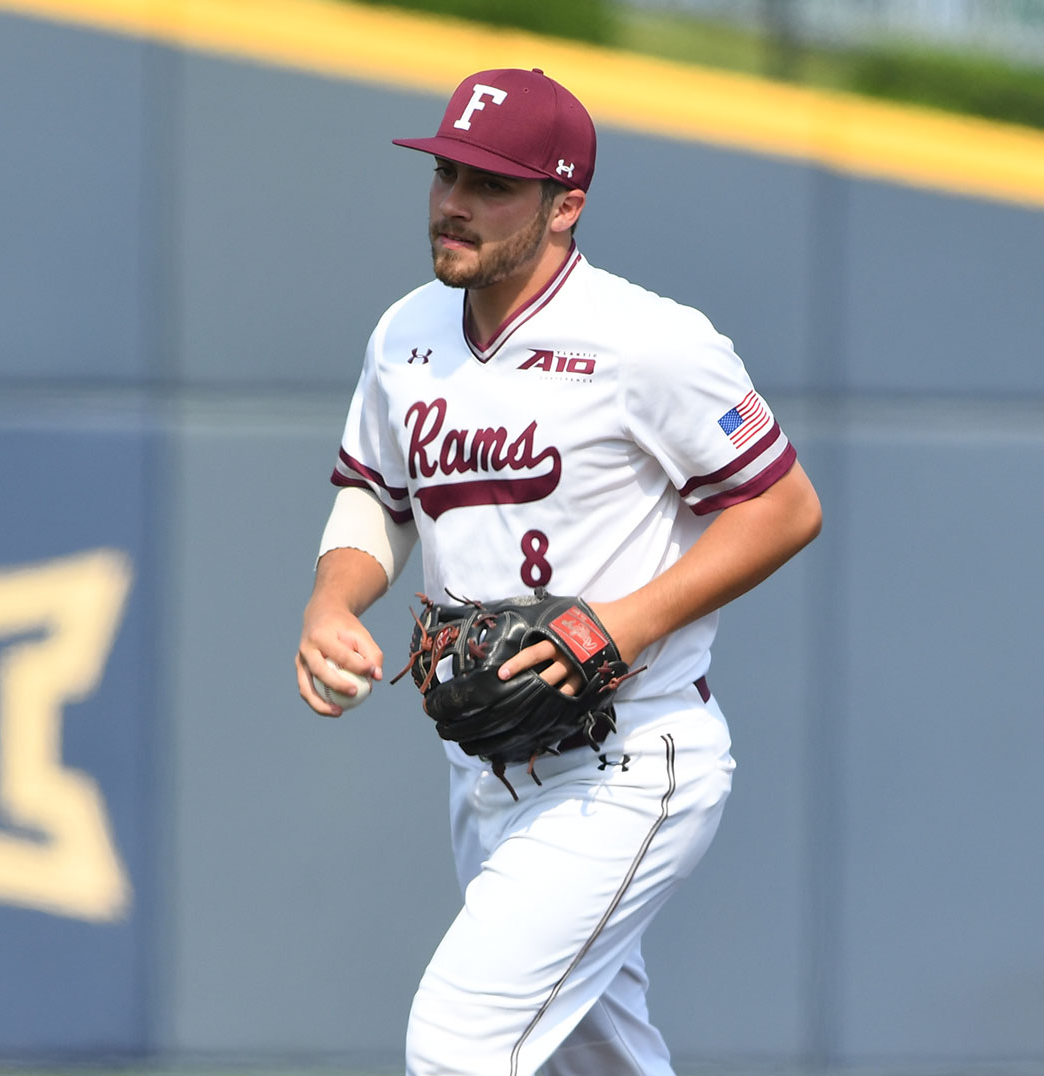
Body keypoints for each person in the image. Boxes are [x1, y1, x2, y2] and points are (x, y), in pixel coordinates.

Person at [294, 66, 822, 1076]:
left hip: (629, 755)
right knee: (596, 1063)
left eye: (491, 185)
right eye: (447, 172)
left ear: (564, 202)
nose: (454, 203)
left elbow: (781, 504)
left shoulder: (650, 341)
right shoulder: (404, 334)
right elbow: (375, 494)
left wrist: (621, 622)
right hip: (486, 767)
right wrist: (330, 598)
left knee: (457, 1040)